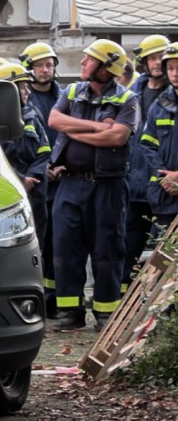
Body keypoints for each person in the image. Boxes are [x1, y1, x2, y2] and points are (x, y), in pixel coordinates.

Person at [48, 39, 139, 332]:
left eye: (89, 60)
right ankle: (70, 313)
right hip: (70, 183)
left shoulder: (128, 100)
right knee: (66, 248)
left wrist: (75, 131)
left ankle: (105, 313)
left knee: (107, 249)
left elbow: (117, 139)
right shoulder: (72, 91)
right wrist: (99, 127)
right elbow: (54, 119)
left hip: (108, 187)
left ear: (104, 68)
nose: (83, 63)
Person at [19, 40, 65, 316]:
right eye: (40, 65)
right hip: (36, 180)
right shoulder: (23, 99)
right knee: (38, 240)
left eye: (49, 65)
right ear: (29, 68)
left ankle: (54, 297)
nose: (45, 70)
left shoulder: (63, 96)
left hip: (62, 176)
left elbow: (68, 135)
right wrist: (42, 167)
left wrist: (60, 164)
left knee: (57, 242)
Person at [0, 63, 51, 254]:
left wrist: (32, 177)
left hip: (35, 191)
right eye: (22, 87)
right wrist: (20, 179)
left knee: (37, 246)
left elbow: (45, 149)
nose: (28, 92)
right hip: (6, 193)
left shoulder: (32, 115)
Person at [124, 34, 170, 289]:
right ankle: (126, 297)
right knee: (129, 245)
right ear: (143, 61)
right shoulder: (133, 93)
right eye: (152, 58)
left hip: (165, 186)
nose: (157, 63)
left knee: (164, 249)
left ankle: (158, 299)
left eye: (161, 58)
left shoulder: (171, 96)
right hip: (135, 186)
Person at [141, 44, 178, 236]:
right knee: (165, 262)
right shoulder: (160, 105)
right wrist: (166, 177)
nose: (175, 74)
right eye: (170, 68)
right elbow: (147, 144)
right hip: (165, 198)